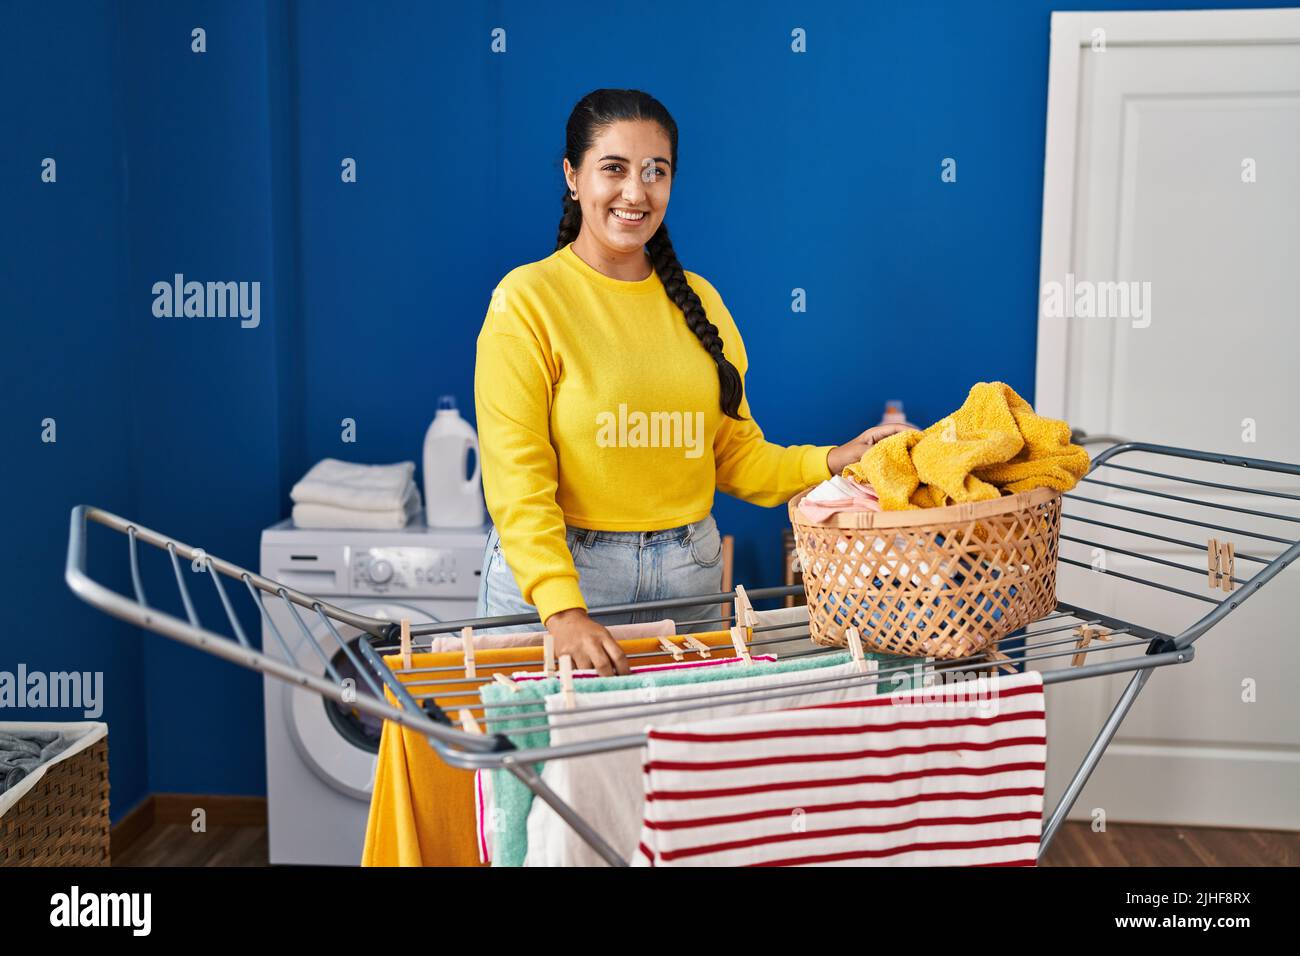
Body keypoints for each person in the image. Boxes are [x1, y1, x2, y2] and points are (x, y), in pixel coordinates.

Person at [473, 88, 913, 676]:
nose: (636, 192)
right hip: (562, 580)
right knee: (532, 763)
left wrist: (835, 459)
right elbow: (516, 481)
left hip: (688, 574)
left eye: (656, 171)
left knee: (675, 765)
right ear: (573, 177)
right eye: (614, 169)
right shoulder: (526, 302)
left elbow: (733, 457)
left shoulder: (701, 302)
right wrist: (562, 610)